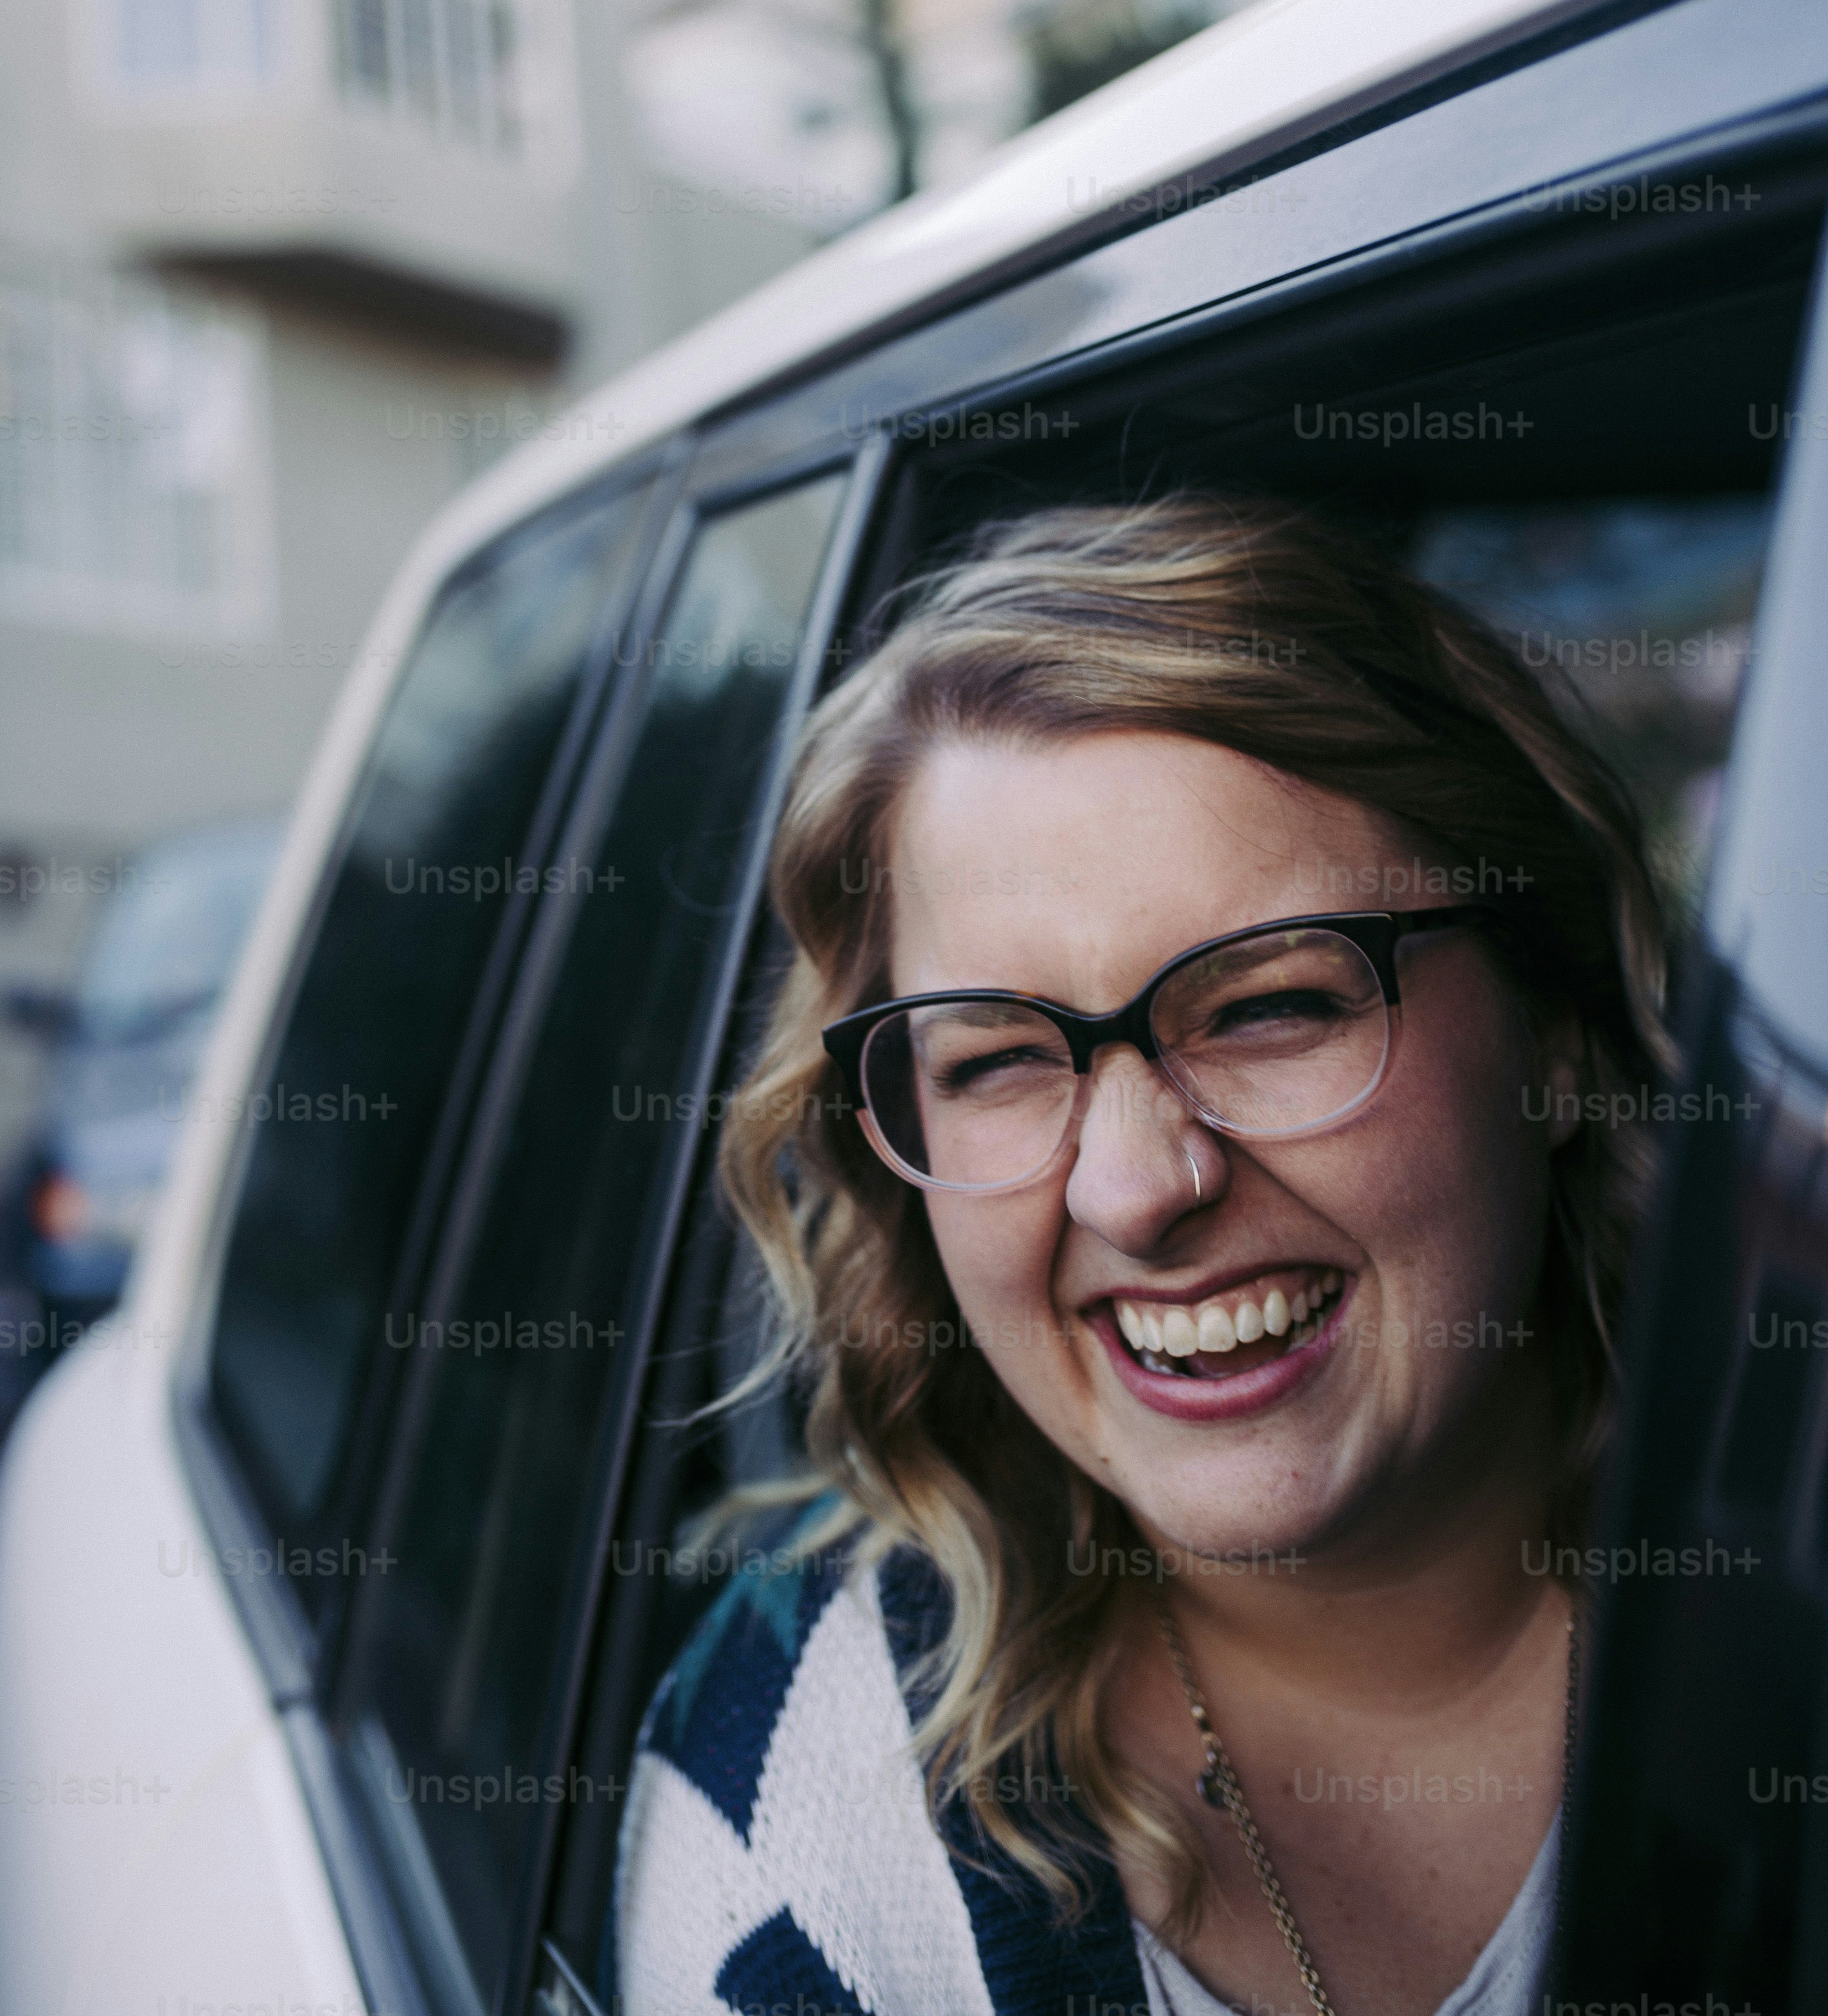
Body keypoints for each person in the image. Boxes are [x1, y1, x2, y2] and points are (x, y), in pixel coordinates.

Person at [613, 498, 1669, 2016]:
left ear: (1552, 1031)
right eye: (995, 1061)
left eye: (1270, 1007)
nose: (1134, 1188)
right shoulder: (800, 1805)